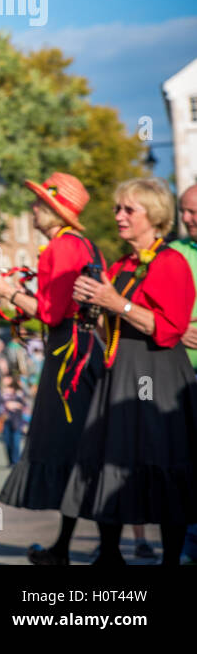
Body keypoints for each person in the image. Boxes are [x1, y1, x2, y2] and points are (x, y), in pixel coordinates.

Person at [66, 177, 197, 566]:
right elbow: (111, 328)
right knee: (110, 453)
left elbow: (169, 328)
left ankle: (170, 558)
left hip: (156, 370)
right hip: (119, 367)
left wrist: (115, 303)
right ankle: (109, 553)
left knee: (162, 458)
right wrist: (93, 304)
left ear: (153, 216)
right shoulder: (120, 264)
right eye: (117, 209)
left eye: (128, 210)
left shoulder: (170, 261)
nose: (119, 216)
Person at [0, 172, 105, 565]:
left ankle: (77, 551)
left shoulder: (59, 249)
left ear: (54, 210)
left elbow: (50, 315)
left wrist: (7, 292)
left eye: (39, 203)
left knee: (68, 447)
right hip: (90, 349)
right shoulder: (88, 246)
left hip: (68, 354)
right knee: (88, 448)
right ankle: (79, 549)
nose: (33, 208)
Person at [173, 183, 197, 564]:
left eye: (194, 211)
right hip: (181, 377)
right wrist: (177, 330)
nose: (187, 219)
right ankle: (190, 544)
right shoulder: (173, 254)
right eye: (183, 211)